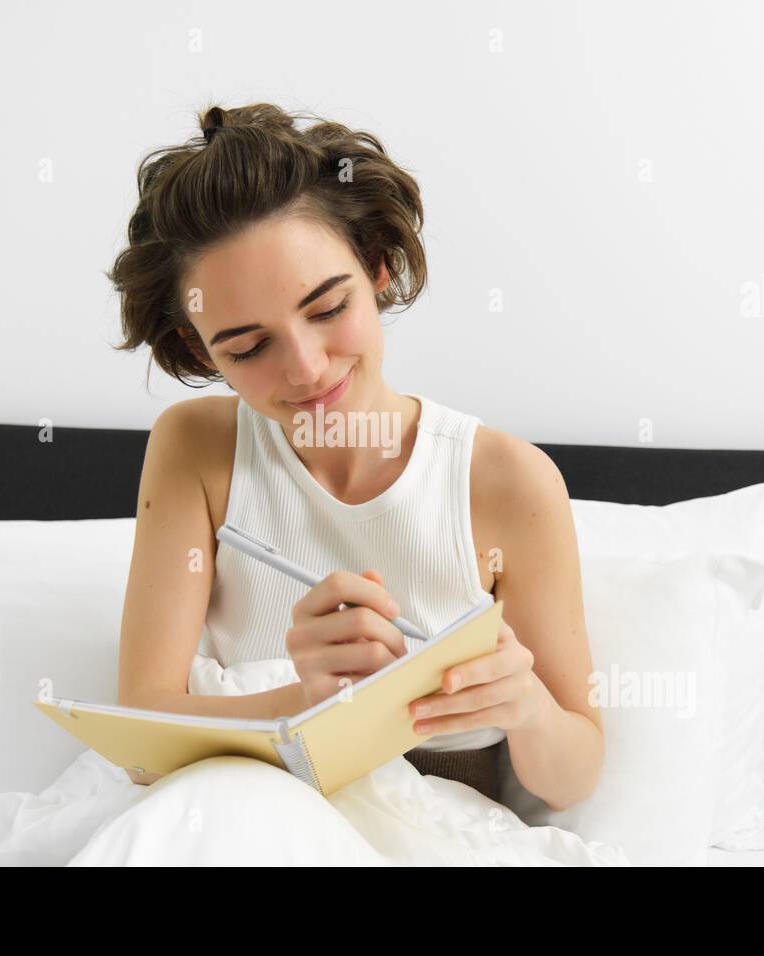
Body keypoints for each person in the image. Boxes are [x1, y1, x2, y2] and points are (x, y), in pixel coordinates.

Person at [105, 102, 604, 814]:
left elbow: (575, 775)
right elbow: (140, 745)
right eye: (248, 348)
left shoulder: (505, 482)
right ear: (198, 348)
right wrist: (310, 705)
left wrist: (525, 704)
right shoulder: (196, 450)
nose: (306, 369)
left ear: (377, 266)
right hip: (237, 824)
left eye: (328, 309)